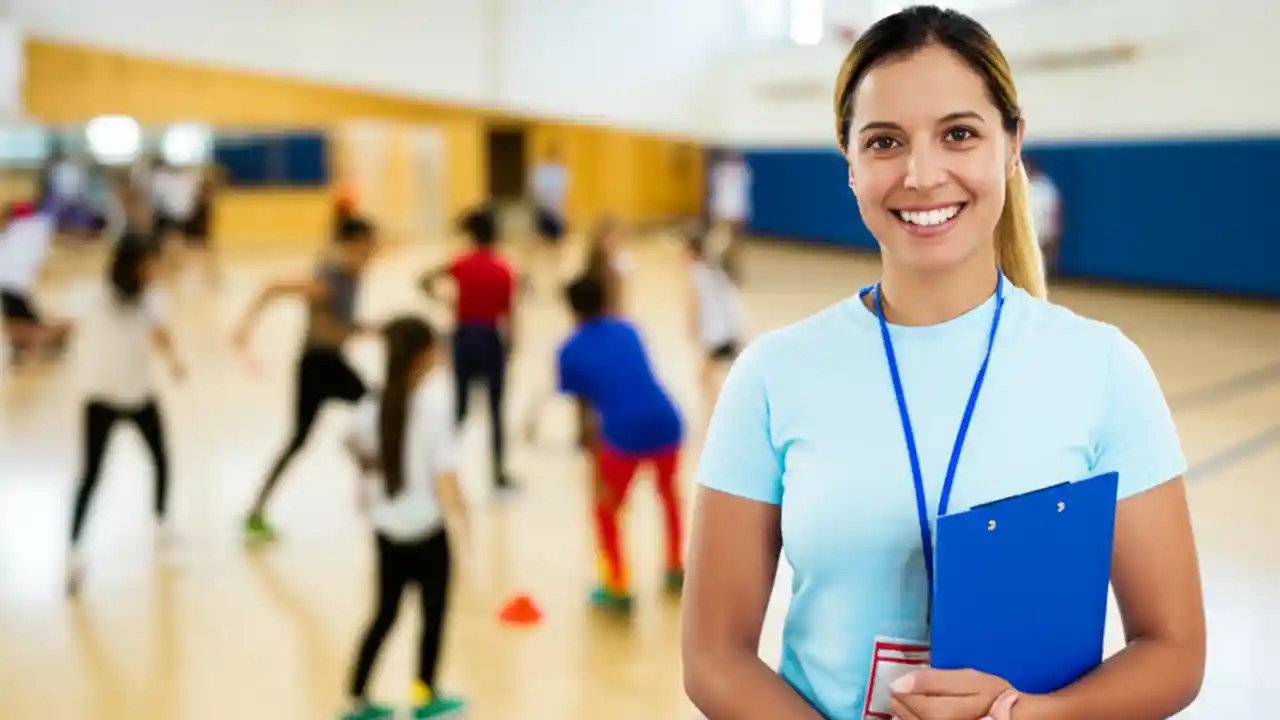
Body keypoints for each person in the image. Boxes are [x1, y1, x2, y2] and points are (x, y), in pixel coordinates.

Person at [682, 7, 1205, 720]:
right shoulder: (772, 375)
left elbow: (1173, 648)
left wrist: (1025, 716)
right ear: (850, 163)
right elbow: (714, 656)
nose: (922, 175)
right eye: (884, 142)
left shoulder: (1104, 369)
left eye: (958, 134)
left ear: (1012, 145)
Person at [341, 316, 469, 720]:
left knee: (384, 613)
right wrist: (465, 527)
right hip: (427, 532)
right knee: (433, 615)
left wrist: (369, 476)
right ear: (423, 356)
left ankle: (357, 697)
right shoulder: (431, 409)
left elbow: (350, 441)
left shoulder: (370, 405)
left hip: (387, 529)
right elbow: (446, 478)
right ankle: (424, 694)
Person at [235, 216, 379, 541]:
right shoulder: (328, 279)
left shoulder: (352, 275)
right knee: (303, 438)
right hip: (317, 366)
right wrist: (245, 326)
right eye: (368, 246)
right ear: (353, 245)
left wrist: (373, 330)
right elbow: (273, 287)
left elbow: (341, 324)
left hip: (334, 361)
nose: (372, 253)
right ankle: (256, 512)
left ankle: (369, 481)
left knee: (374, 410)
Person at [66, 235, 186, 595]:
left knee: (162, 458)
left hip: (140, 394)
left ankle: (162, 522)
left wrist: (174, 360)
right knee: (91, 475)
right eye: (148, 263)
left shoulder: (151, 301)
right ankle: (73, 550)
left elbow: (159, 331)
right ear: (130, 265)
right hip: (101, 398)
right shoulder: (92, 298)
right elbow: (62, 326)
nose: (153, 271)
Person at [558, 276, 685, 612]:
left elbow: (585, 414)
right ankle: (675, 567)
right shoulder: (629, 330)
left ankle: (617, 586)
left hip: (623, 434)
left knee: (606, 509)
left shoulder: (570, 350)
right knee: (669, 496)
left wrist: (593, 468)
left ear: (571, 308)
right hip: (667, 422)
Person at [420, 207, 517, 492]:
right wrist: (511, 344)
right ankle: (498, 474)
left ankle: (439, 468)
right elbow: (510, 314)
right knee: (496, 410)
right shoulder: (502, 268)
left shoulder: (460, 264)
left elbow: (424, 280)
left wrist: (444, 301)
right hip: (490, 337)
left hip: (463, 337)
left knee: (460, 410)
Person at [0, 201, 72, 365]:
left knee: (22, 322)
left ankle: (29, 346)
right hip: (13, 287)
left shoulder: (20, 233)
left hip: (12, 287)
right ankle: (32, 345)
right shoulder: (34, 229)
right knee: (26, 324)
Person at [683, 227, 746, 412]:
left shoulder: (695, 273)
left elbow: (695, 303)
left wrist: (692, 328)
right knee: (710, 374)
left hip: (719, 332)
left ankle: (715, 412)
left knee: (705, 376)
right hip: (734, 327)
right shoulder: (713, 270)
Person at [1026, 159, 1062, 278]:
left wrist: (1054, 233)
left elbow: (1054, 211)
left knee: (1041, 265)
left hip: (1042, 233)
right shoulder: (1015, 186)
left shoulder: (1045, 187)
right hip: (1022, 233)